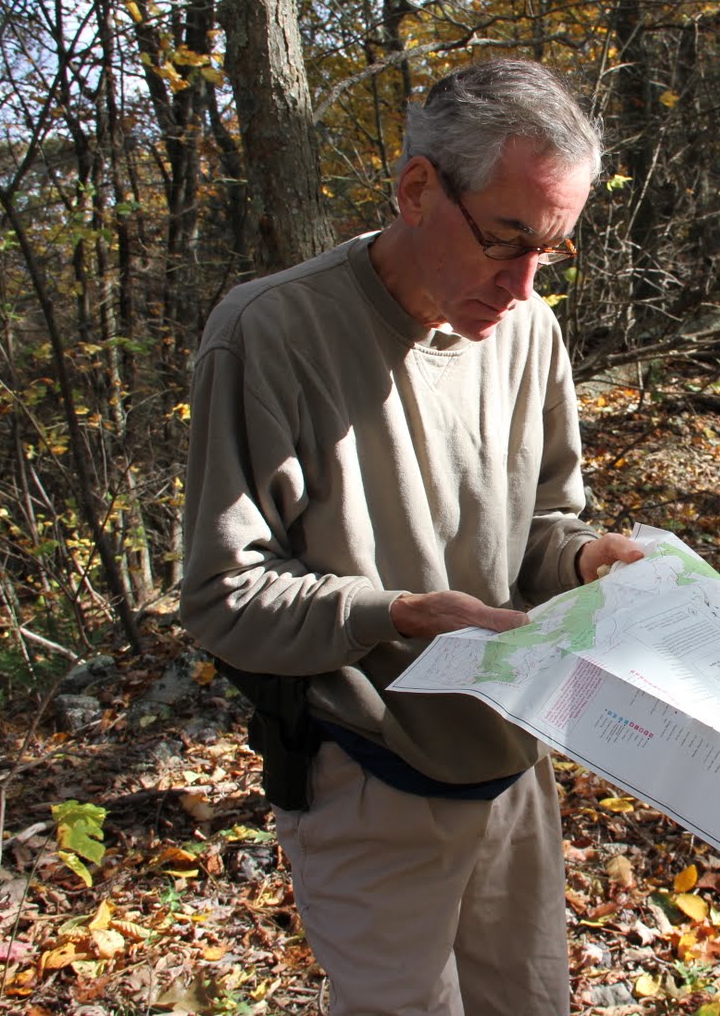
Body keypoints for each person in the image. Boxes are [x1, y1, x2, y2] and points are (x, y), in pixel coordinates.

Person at [179, 58, 645, 1016]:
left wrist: (587, 557)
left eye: (549, 253)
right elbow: (225, 591)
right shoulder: (271, 333)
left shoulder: (529, 334)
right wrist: (388, 612)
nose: (521, 286)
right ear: (418, 187)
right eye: (504, 241)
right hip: (366, 766)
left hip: (514, 763)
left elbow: (541, 527)